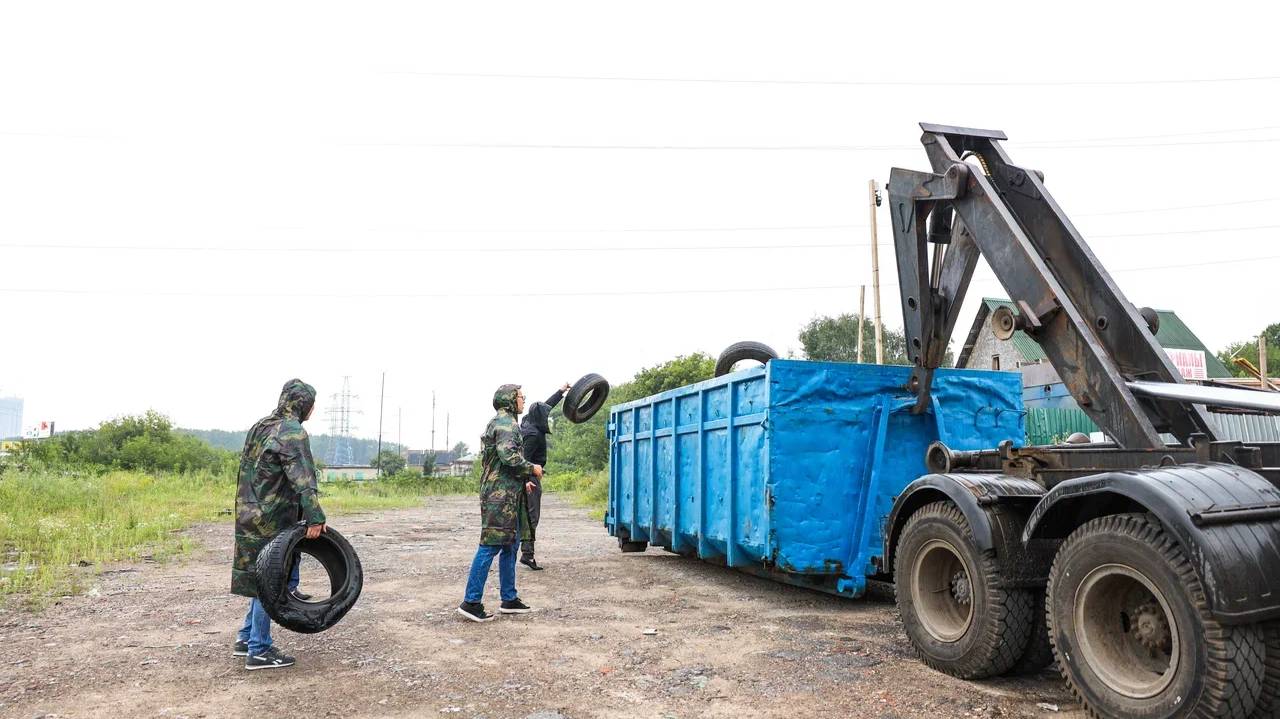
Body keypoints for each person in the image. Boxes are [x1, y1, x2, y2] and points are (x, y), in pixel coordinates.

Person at [231, 379, 327, 669]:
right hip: (273, 519)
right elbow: (303, 478)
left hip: (248, 513)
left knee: (258, 577)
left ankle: (246, 638)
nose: (313, 409)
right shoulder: (292, 431)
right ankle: (259, 649)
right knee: (270, 582)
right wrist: (315, 516)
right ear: (303, 404)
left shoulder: (260, 426)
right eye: (312, 404)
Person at [458, 384, 542, 622]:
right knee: (491, 545)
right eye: (520, 396)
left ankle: (509, 598)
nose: (523, 400)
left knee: (510, 544)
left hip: (508, 492)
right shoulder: (506, 424)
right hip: (499, 496)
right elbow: (508, 457)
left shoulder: (505, 422)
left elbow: (500, 462)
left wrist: (522, 481)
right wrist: (532, 469)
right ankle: (471, 602)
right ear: (510, 400)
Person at [518, 382, 571, 570]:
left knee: (527, 516)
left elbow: (545, 406)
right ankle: (527, 555)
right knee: (531, 516)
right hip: (530, 479)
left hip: (530, 476)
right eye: (545, 416)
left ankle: (525, 552)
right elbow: (524, 460)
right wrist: (526, 481)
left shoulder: (528, 420)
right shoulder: (533, 434)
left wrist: (561, 392)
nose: (547, 418)